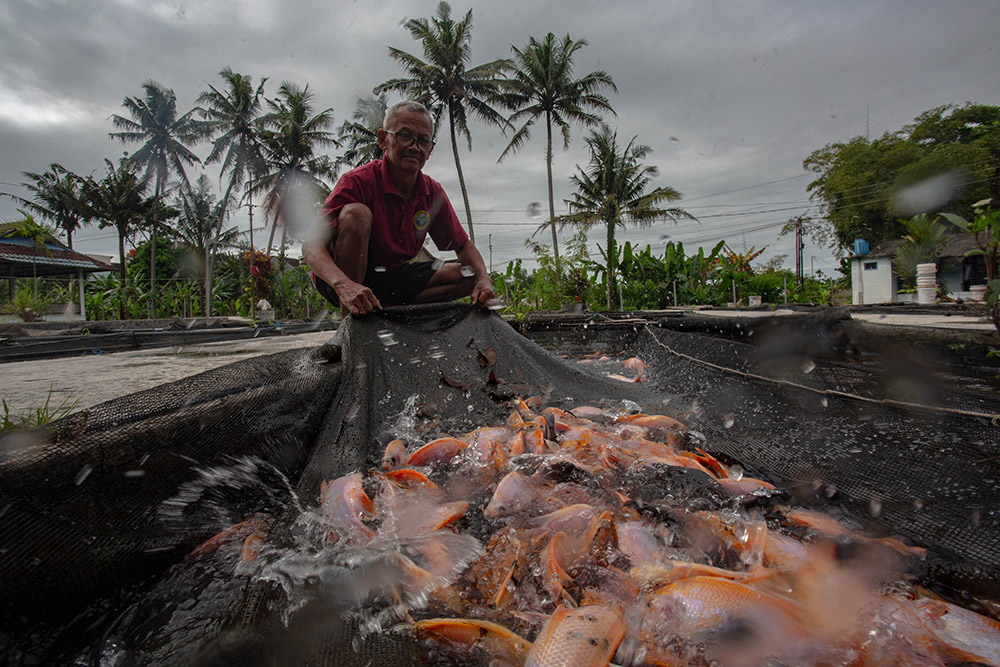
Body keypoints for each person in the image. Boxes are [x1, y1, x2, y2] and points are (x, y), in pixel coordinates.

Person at [302, 100, 495, 316]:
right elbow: (311, 245)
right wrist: (343, 284)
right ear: (383, 140)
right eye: (404, 136)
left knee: (470, 275)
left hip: (392, 276)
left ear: (429, 151)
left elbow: (463, 246)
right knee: (357, 214)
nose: (414, 147)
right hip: (343, 276)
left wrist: (484, 280)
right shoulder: (358, 181)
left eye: (423, 141)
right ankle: (352, 325)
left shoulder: (432, 193)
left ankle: (388, 312)